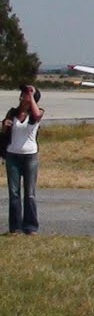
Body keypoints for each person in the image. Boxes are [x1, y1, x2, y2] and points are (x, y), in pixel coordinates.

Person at [5, 84, 44, 235]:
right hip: (12, 155)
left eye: (26, 93)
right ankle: (15, 227)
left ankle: (30, 226)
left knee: (30, 193)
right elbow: (5, 132)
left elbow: (37, 115)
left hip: (30, 156)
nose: (23, 95)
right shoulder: (13, 112)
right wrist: (4, 125)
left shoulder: (37, 112)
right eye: (22, 93)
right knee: (14, 193)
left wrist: (32, 95)